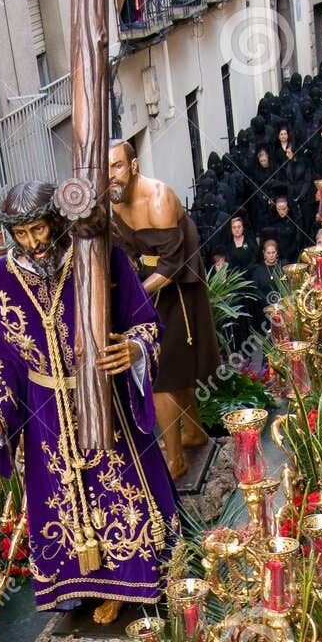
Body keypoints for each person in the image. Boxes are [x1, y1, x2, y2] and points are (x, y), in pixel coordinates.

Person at [0, 180, 179, 626]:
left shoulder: (100, 259)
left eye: (39, 229)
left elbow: (145, 321)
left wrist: (134, 349)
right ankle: (80, 588)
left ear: (58, 222)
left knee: (120, 488)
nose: (34, 243)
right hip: (45, 417)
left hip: (102, 399)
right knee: (60, 502)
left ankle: (133, 583)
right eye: (21, 234)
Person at [109, 140, 221, 481]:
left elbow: (172, 263)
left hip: (179, 287)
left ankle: (175, 460)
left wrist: (136, 296)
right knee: (170, 372)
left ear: (133, 166)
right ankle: (194, 432)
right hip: (148, 285)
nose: (108, 176)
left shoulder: (158, 199)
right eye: (103, 170)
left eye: (115, 166)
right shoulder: (113, 203)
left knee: (161, 376)